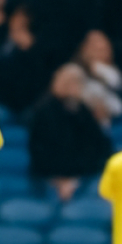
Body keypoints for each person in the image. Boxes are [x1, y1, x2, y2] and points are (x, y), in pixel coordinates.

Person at [28, 64, 112, 201]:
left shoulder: (83, 111)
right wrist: (60, 179)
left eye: (78, 82)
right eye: (70, 81)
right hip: (49, 177)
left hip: (82, 175)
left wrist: (76, 177)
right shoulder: (44, 111)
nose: (74, 86)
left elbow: (98, 146)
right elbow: (39, 150)